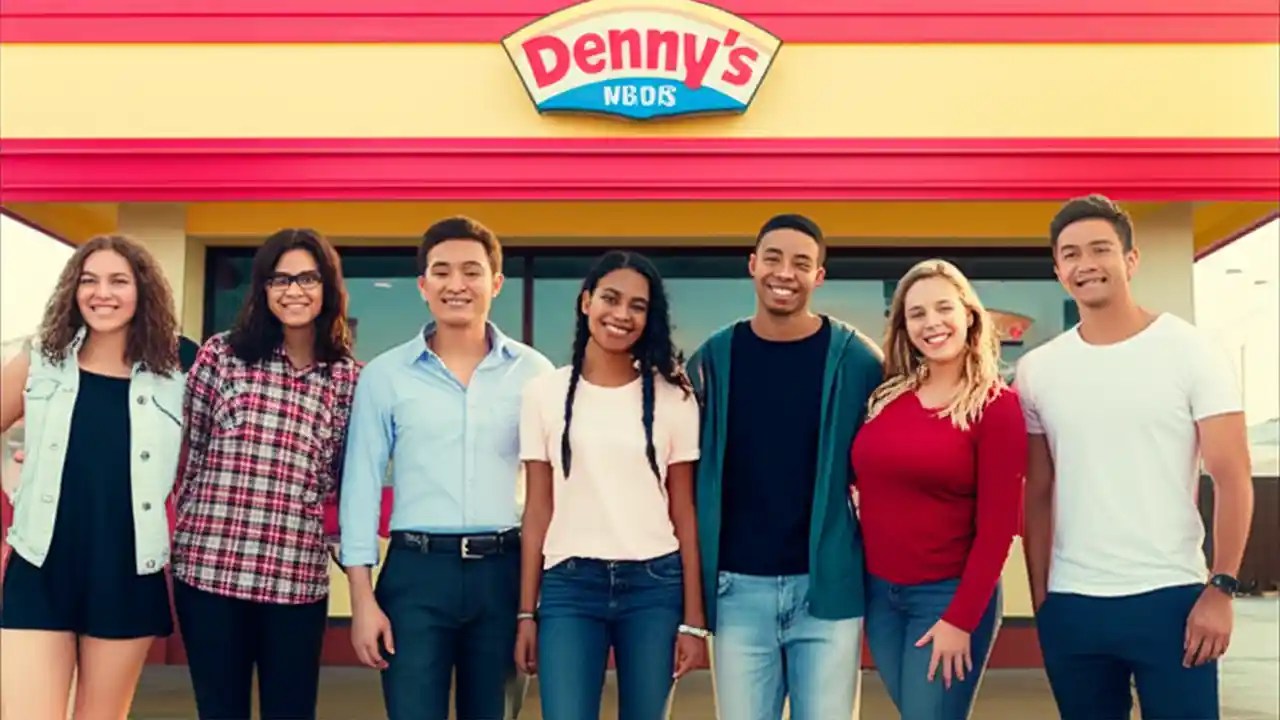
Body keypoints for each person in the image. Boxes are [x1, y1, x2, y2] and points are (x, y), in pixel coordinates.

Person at [1017, 194, 1254, 720]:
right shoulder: (1038, 369)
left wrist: (1222, 587)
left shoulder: (1191, 350)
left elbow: (1233, 477)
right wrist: (1042, 600)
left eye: (1100, 249)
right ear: (1058, 270)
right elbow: (1037, 490)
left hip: (1172, 598)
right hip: (1073, 604)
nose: (1086, 264)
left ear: (1130, 259)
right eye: (1071, 254)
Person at [340, 216, 553, 720]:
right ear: (422, 285)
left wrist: (534, 604)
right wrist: (362, 600)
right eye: (441, 272)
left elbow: (553, 491)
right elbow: (361, 486)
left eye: (472, 272)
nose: (456, 285)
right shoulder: (385, 376)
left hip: (503, 573)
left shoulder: (535, 373)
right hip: (415, 576)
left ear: (496, 283)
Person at [686, 214, 882, 720]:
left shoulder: (857, 361)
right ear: (752, 265)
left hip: (826, 589)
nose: (784, 273)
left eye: (801, 263)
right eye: (773, 258)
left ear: (819, 276)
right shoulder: (713, 360)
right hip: (736, 591)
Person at [172, 228, 360, 720]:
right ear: (262, 288)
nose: (293, 290)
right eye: (280, 279)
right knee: (219, 711)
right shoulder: (222, 355)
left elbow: (341, 478)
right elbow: (183, 447)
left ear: (328, 289)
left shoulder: (346, 378)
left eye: (307, 278)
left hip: (294, 582)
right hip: (209, 573)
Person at [515, 251, 708, 719]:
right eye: (610, 298)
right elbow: (537, 510)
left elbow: (684, 511)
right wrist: (526, 612)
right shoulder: (543, 393)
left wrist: (694, 621)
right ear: (586, 302)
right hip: (569, 586)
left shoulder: (674, 397)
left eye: (637, 306)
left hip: (655, 586)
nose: (621, 314)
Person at [0, 235, 185, 720]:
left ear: (142, 291)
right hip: (40, 564)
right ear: (73, 290)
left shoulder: (178, 370)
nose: (102, 293)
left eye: (118, 281)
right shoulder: (41, 359)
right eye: (89, 281)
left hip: (126, 569)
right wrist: (9, 486)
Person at [851, 259, 1026, 719]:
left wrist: (960, 619)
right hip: (882, 597)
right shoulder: (887, 398)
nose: (932, 323)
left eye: (943, 308)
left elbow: (998, 528)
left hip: (946, 598)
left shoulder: (996, 406)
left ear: (969, 314)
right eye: (917, 313)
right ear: (904, 327)